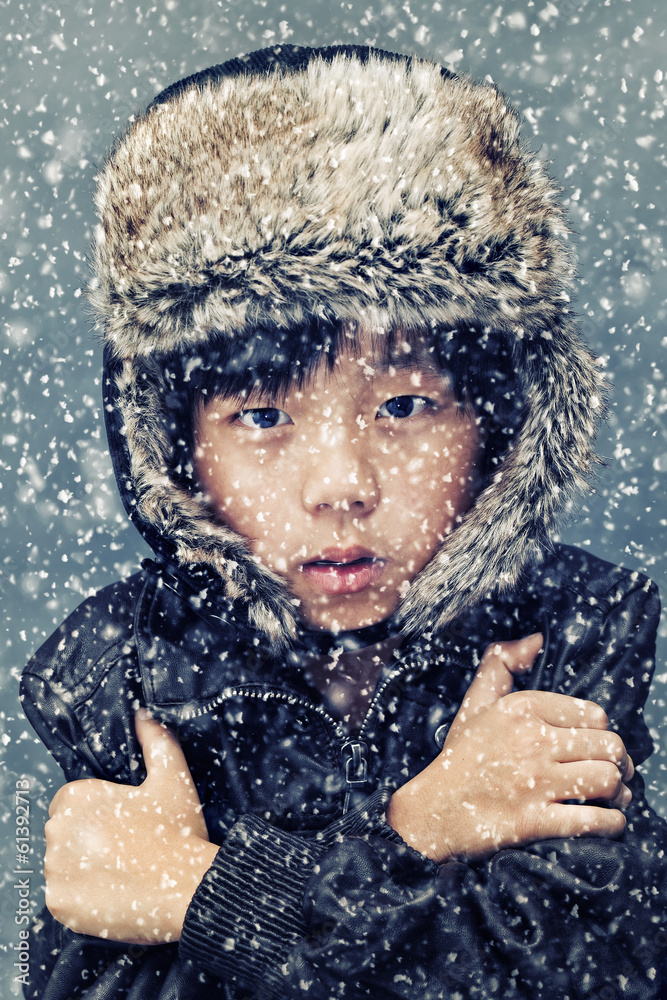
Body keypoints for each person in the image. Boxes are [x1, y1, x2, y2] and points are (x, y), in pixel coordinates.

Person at [20, 43, 667, 1000]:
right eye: (262, 417)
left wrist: (200, 893)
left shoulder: (563, 634)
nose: (341, 486)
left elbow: (588, 972)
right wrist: (423, 831)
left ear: (496, 426)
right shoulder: (126, 670)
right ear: (172, 447)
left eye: (403, 407)